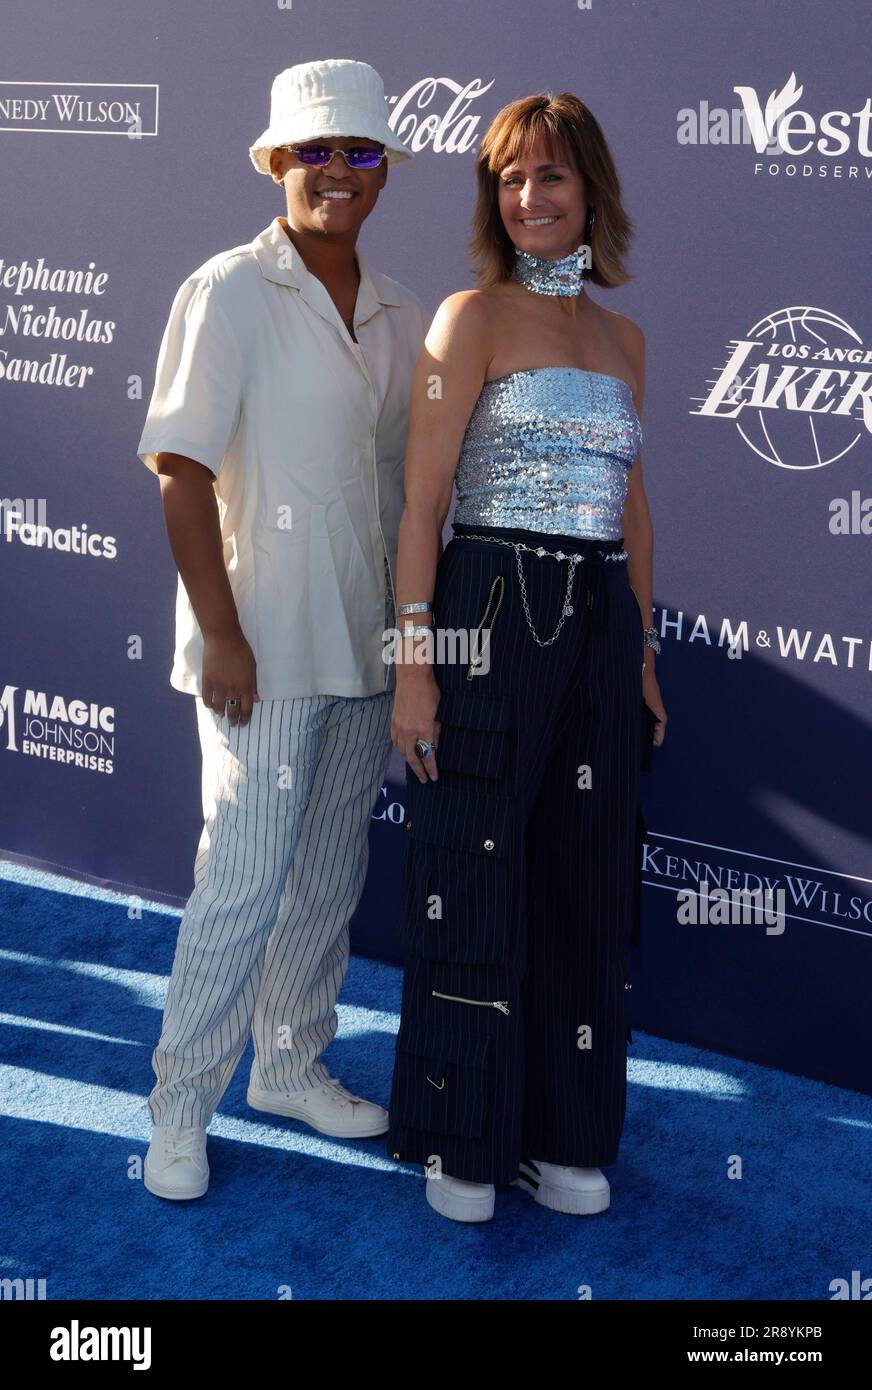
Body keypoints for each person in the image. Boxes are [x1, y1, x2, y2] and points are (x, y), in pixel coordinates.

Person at [136, 58, 428, 1200]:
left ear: (383, 169)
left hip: (362, 647)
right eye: (313, 152)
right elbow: (177, 472)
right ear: (274, 163)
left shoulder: (401, 309)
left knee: (325, 873)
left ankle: (291, 1063)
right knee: (240, 881)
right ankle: (177, 1103)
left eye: (358, 152)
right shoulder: (227, 289)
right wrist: (223, 634)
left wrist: (411, 648)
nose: (336, 172)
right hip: (256, 647)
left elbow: (407, 495)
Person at [385, 90, 666, 1222]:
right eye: (507, 179)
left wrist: (639, 655)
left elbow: (634, 510)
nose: (527, 197)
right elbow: (419, 508)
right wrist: (415, 665)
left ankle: (562, 1133)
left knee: (585, 880)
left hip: (595, 613)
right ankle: (464, 1138)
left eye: (548, 176)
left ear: (590, 190)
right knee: (473, 870)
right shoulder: (469, 318)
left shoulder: (625, 338)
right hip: (489, 598)